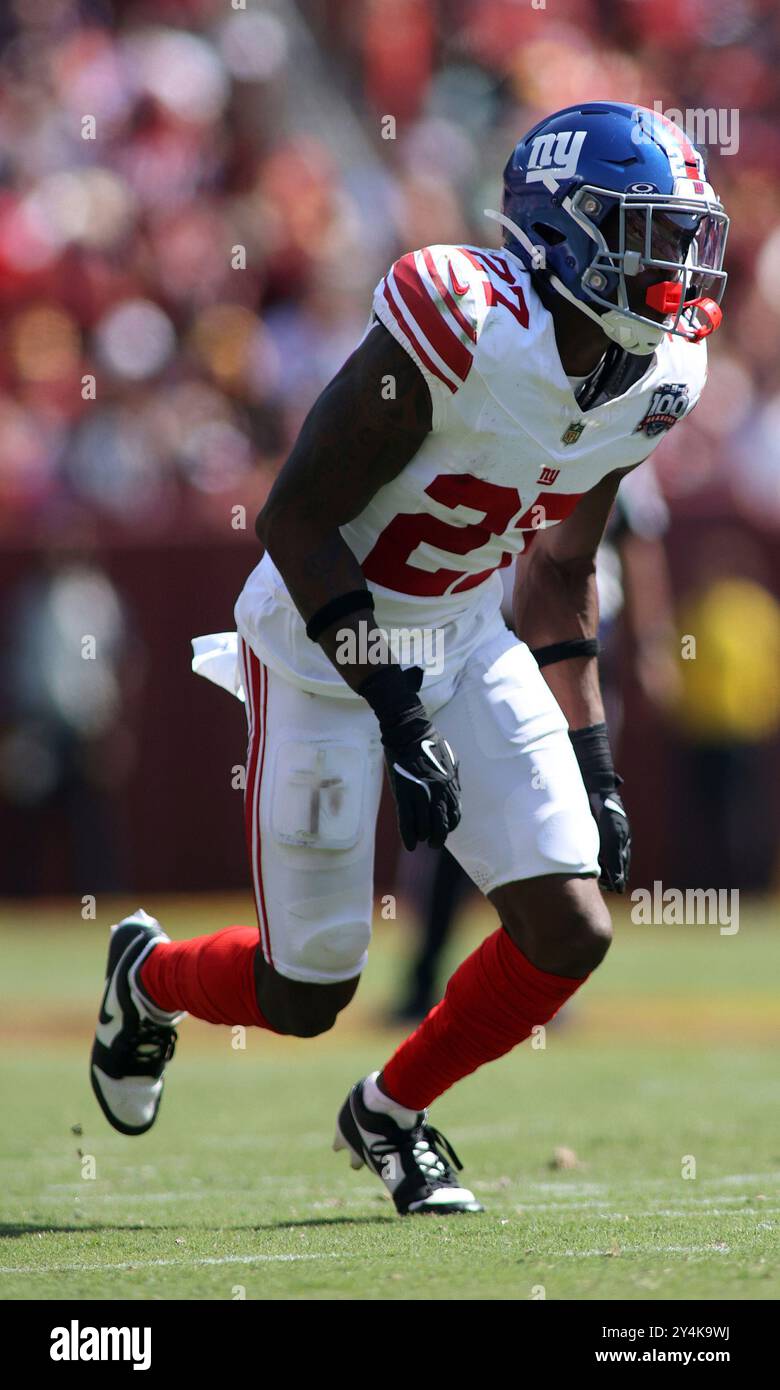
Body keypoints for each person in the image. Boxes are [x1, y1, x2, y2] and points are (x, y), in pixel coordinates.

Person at [90, 102, 728, 1215]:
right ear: (564, 231)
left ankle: (388, 1114)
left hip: (469, 633)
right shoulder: (463, 316)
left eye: (682, 236)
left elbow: (561, 572)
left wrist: (598, 762)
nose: (672, 267)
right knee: (307, 987)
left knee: (569, 926)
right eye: (645, 235)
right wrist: (393, 708)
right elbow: (293, 519)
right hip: (322, 646)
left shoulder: (656, 376)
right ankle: (147, 979)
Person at [391, 460, 680, 1024]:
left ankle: (543, 978)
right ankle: (427, 976)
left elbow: (640, 545)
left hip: (578, 644)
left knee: (565, 814)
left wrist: (655, 641)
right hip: (485, 638)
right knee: (455, 814)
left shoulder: (612, 427)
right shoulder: (492, 425)